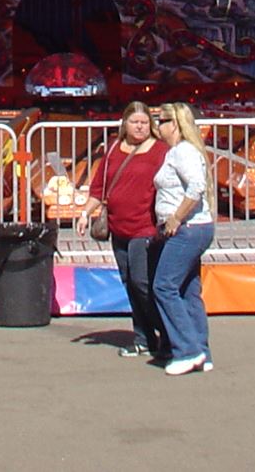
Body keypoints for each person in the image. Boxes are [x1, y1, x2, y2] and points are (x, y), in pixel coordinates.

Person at [85, 101, 170, 362]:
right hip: (117, 227)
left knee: (142, 282)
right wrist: (84, 213)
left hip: (144, 228)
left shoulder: (161, 151)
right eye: (135, 122)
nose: (140, 126)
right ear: (125, 124)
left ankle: (168, 333)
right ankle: (143, 338)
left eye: (145, 122)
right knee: (129, 284)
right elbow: (99, 187)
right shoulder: (113, 150)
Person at [150, 101, 217, 376]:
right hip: (190, 229)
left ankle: (187, 350)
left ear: (175, 124)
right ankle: (201, 350)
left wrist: (176, 217)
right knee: (188, 290)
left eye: (162, 120)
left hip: (187, 229)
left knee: (163, 286)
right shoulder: (176, 153)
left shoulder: (183, 153)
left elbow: (197, 186)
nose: (158, 126)